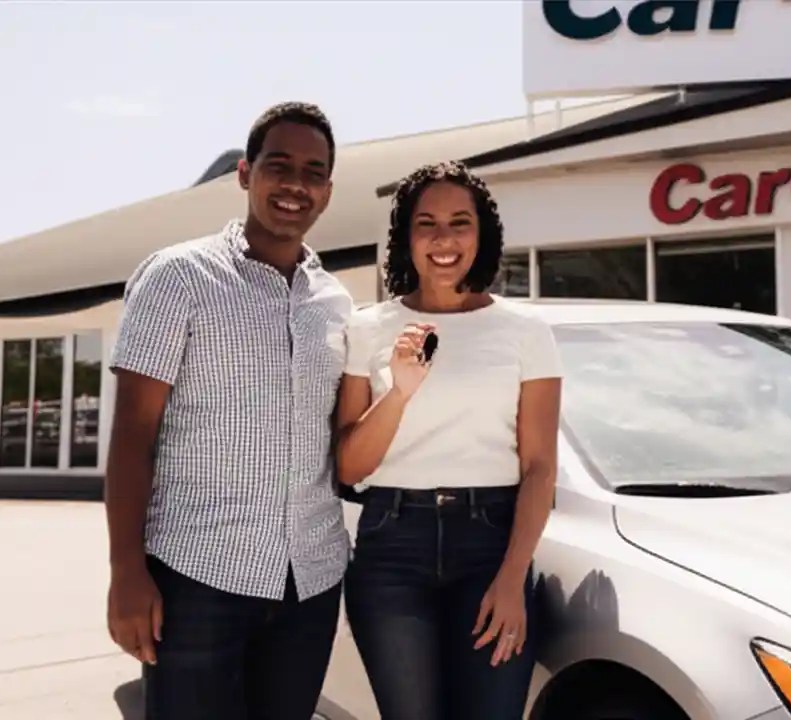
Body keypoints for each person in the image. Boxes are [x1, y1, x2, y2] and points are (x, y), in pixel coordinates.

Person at [103, 101, 352, 720]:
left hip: (311, 581)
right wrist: (125, 573)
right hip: (196, 580)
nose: (295, 185)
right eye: (279, 165)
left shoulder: (336, 302)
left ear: (327, 190)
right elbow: (133, 437)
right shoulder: (176, 278)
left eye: (313, 172)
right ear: (246, 174)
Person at [335, 160, 563, 720]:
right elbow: (348, 467)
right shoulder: (367, 328)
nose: (443, 239)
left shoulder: (526, 333)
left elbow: (538, 468)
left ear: (481, 235)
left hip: (491, 546)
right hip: (391, 546)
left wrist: (512, 580)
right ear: (405, 236)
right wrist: (400, 392)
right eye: (426, 223)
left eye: (460, 223)